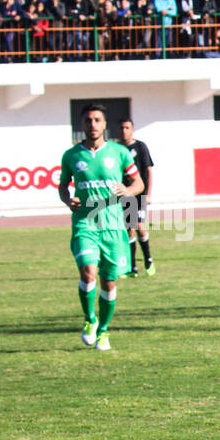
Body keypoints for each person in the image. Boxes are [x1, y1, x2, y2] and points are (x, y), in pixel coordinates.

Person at [58, 104, 145, 352]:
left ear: (105, 125)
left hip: (114, 227)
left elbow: (138, 182)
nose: (93, 124)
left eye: (97, 120)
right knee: (88, 272)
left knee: (109, 282)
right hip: (85, 224)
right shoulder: (72, 155)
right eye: (88, 120)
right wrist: (67, 199)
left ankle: (104, 331)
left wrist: (127, 191)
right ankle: (90, 319)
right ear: (82, 125)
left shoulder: (119, 153)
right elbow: (63, 185)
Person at [118, 117, 156, 278]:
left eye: (127, 128)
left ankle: (148, 259)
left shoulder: (140, 147)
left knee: (139, 225)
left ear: (132, 129)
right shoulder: (117, 149)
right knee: (128, 229)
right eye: (122, 128)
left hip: (139, 192)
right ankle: (132, 266)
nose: (124, 131)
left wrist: (148, 193)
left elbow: (148, 170)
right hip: (125, 193)